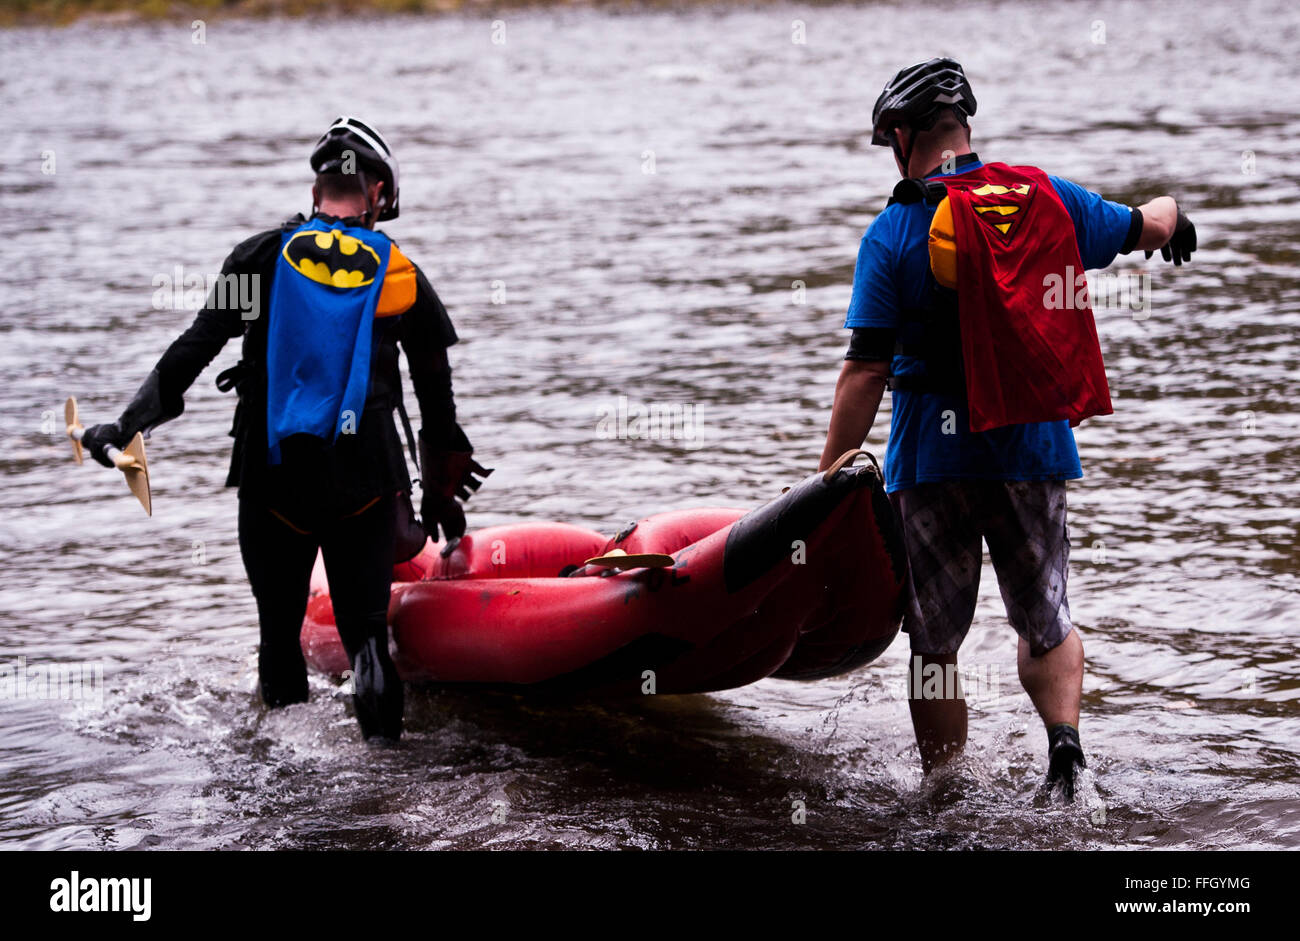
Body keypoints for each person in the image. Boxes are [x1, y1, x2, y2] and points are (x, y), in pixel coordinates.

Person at [818, 59, 1196, 798]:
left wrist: (830, 474)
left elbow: (865, 371)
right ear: (967, 127)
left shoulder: (893, 233)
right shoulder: (1048, 200)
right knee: (1045, 621)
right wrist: (1176, 216)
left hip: (931, 465)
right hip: (1031, 450)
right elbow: (1147, 226)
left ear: (901, 137)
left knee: (934, 644)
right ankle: (1066, 756)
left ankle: (946, 791)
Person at [82, 116, 489, 743]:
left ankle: (283, 786)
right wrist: (441, 500)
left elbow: (196, 348)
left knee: (279, 632)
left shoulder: (262, 260)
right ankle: (382, 777)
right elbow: (438, 402)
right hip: (366, 485)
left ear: (315, 189)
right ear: (380, 194)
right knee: (366, 639)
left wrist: (126, 424)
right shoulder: (400, 275)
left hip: (272, 481)